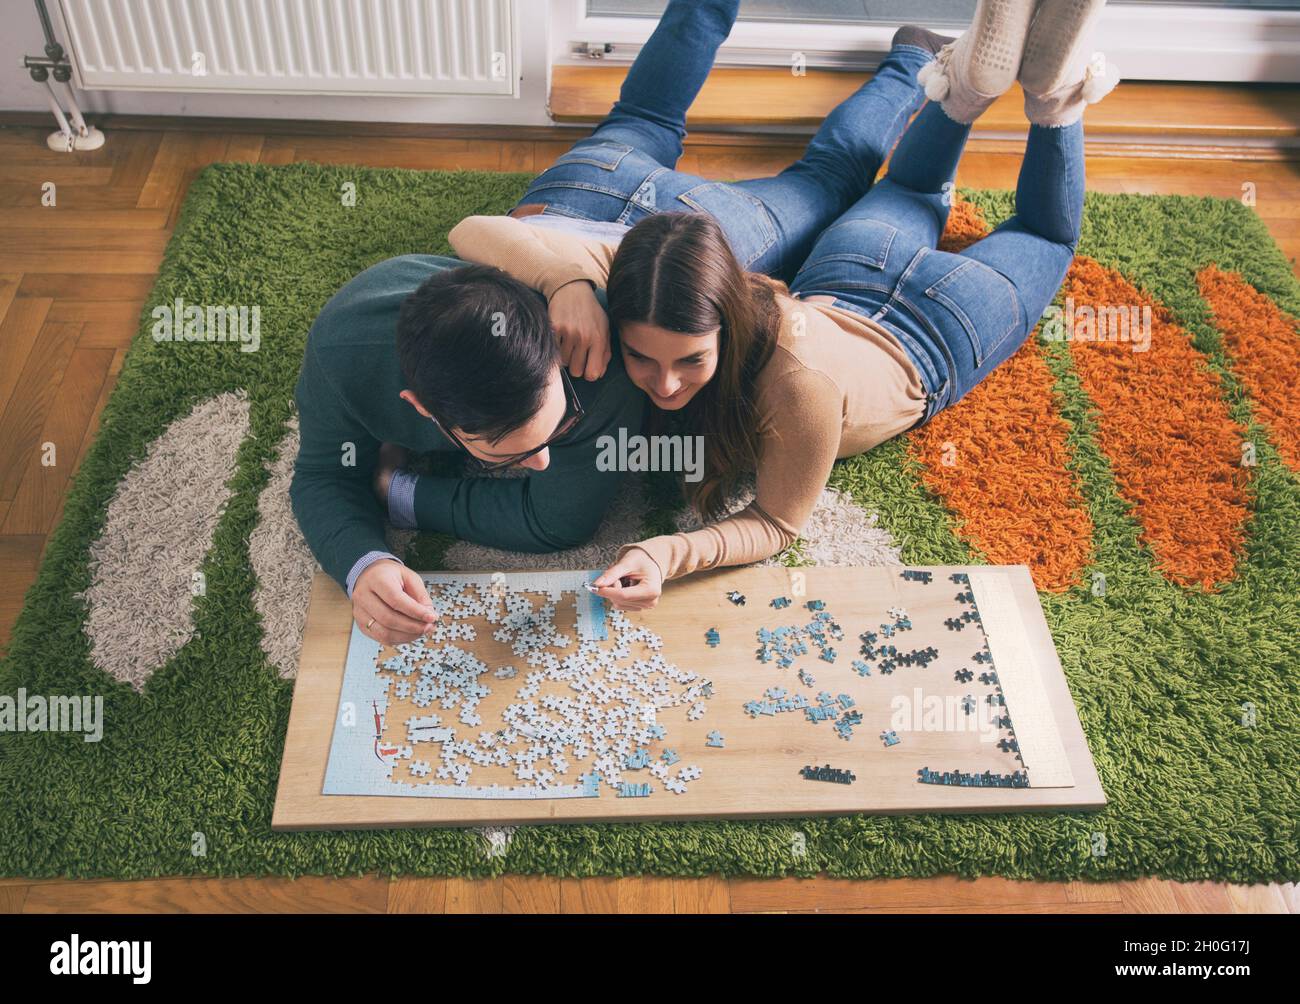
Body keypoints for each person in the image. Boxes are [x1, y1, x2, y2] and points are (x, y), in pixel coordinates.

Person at [450, 0, 1118, 611]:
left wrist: (669, 552)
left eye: (689, 360)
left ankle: (1022, 96)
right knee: (903, 188)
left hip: (933, 329)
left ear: (728, 313)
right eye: (643, 360)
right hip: (849, 280)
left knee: (1020, 226)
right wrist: (569, 286)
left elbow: (775, 522)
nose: (666, 384)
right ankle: (970, 85)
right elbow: (475, 234)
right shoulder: (649, 280)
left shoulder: (798, 389)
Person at [483, 0, 946, 382]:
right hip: (574, 192)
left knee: (827, 179)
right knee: (643, 116)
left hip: (693, 238)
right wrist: (560, 279)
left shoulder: (523, 378)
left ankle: (914, 58)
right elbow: (477, 234)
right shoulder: (474, 319)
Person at [290, 259, 646, 644]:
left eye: (561, 423)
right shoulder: (340, 358)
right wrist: (364, 564)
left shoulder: (602, 363)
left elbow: (555, 522)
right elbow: (323, 476)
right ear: (423, 409)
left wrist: (398, 491)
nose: (543, 462)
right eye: (511, 455)